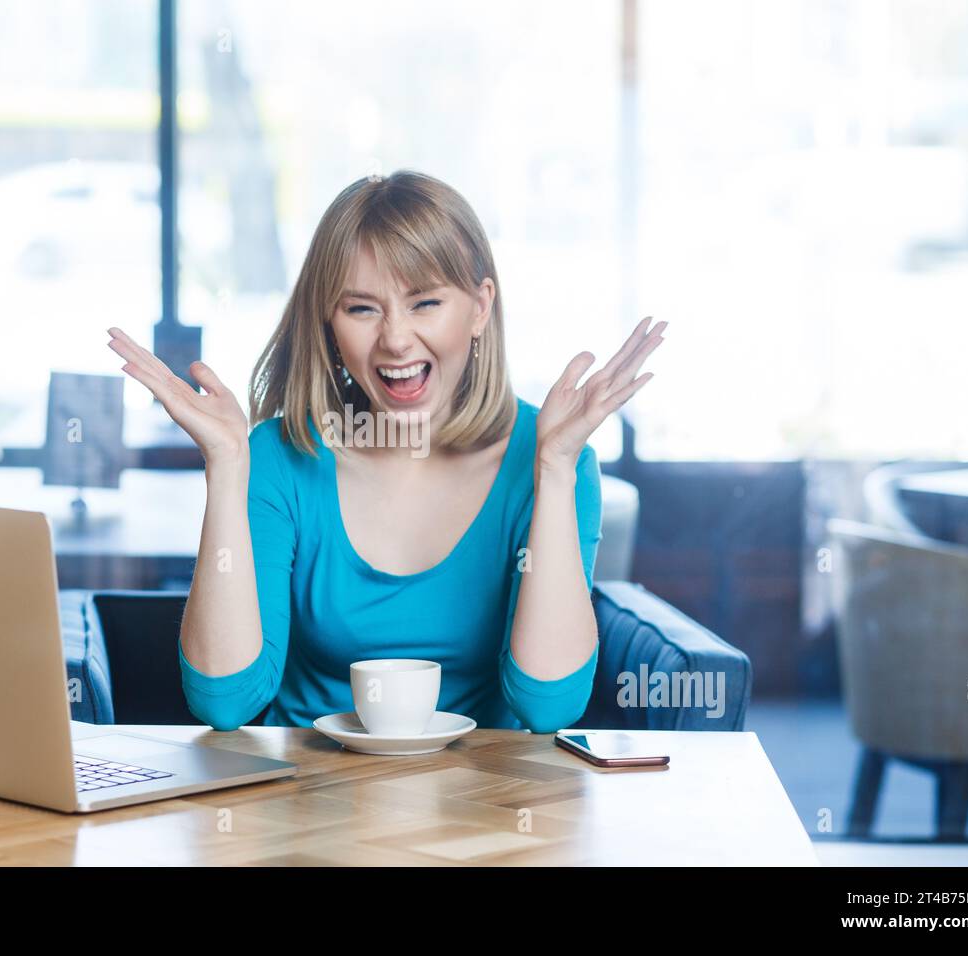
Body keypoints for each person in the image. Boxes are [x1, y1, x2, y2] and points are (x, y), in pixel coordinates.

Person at [108, 170, 664, 732]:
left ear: (478, 308)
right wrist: (227, 468)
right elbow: (225, 702)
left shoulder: (553, 460)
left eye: (424, 303)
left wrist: (554, 470)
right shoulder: (277, 459)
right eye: (362, 309)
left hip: (482, 805)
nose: (396, 339)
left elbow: (549, 706)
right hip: (304, 805)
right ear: (328, 323)